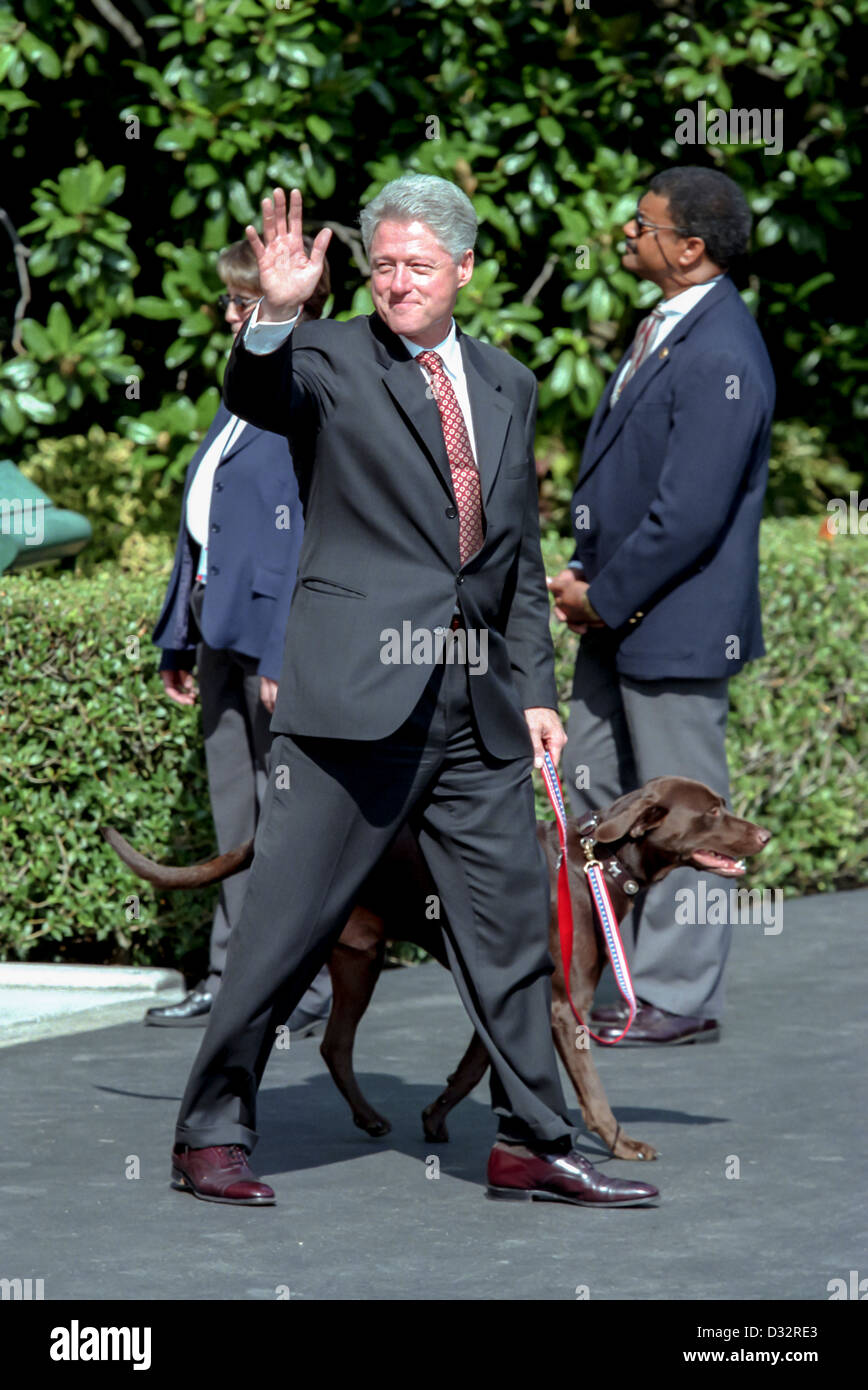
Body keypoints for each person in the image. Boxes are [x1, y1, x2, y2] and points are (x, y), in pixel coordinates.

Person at [168, 175, 658, 1209]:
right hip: (350, 707)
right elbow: (259, 395)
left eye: (417, 266)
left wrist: (533, 686)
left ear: (464, 271)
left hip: (473, 711)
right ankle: (211, 1132)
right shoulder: (329, 356)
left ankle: (531, 1139)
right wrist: (278, 311)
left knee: (509, 931)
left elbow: (513, 559)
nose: (395, 282)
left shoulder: (508, 382)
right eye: (382, 264)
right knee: (283, 931)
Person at [548, 166, 775, 1045]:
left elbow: (689, 513)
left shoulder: (722, 350)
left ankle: (677, 998)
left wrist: (600, 595)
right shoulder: (669, 328)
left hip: (672, 628)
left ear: (691, 247)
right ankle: (606, 975)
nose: (626, 235)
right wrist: (584, 575)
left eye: (642, 225)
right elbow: (629, 477)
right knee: (595, 798)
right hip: (621, 620)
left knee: (690, 822)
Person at [148, 238, 333, 1035]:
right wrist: (177, 636)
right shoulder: (241, 388)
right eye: (230, 300)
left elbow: (310, 537)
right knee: (238, 818)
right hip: (219, 631)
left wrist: (283, 651)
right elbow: (209, 519)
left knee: (288, 819)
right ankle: (231, 979)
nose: (228, 312)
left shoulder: (310, 389)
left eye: (242, 300)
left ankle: (299, 990)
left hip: (271, 642)